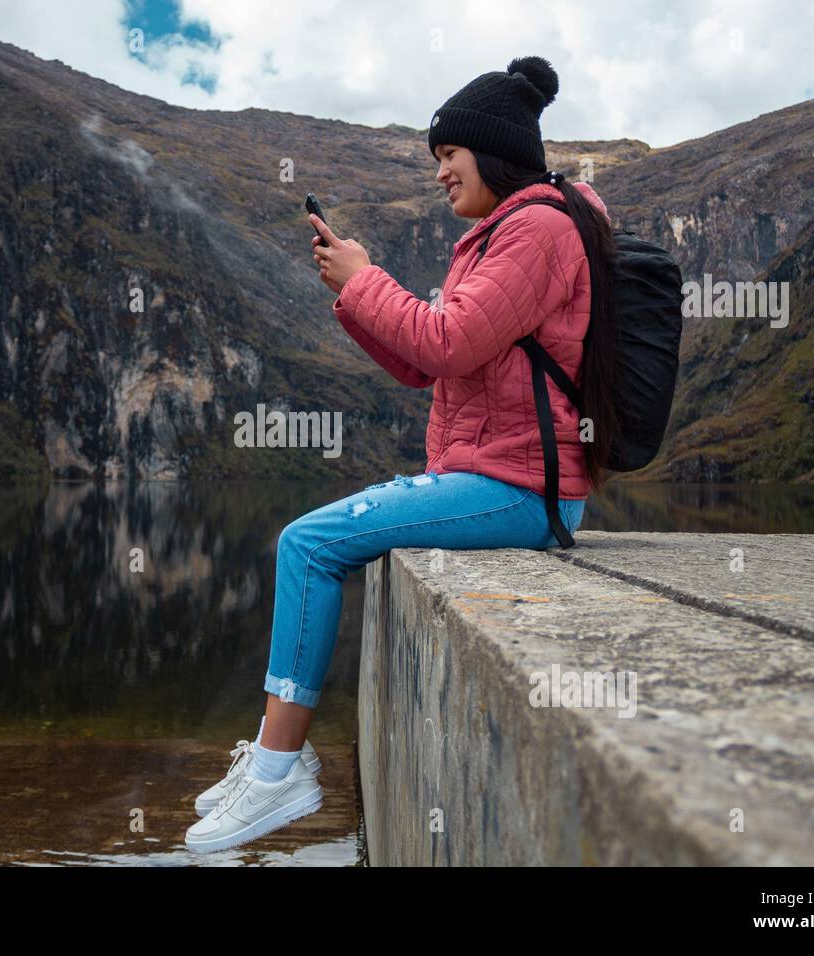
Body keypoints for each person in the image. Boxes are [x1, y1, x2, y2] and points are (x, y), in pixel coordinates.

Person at [186, 56, 620, 854]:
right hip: (492, 476)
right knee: (313, 543)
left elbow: (448, 341)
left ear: (491, 151)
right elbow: (426, 362)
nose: (440, 174)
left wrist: (366, 279)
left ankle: (282, 774)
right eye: (435, 160)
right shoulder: (500, 235)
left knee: (308, 545)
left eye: (448, 156)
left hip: (524, 489)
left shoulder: (539, 231)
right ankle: (270, 763)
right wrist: (349, 291)